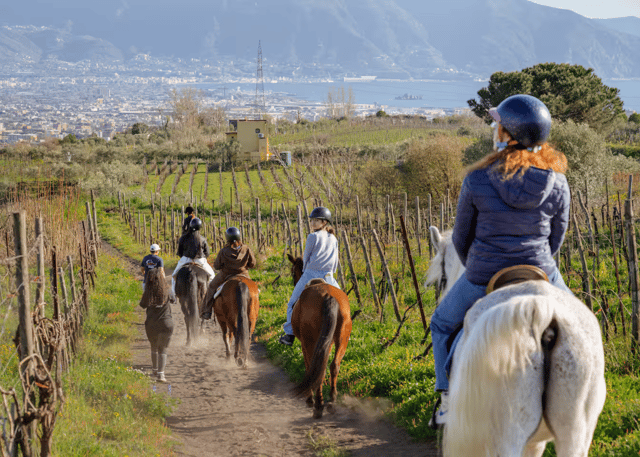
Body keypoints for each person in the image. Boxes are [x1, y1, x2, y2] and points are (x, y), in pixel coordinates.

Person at [429, 94, 572, 426]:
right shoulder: (558, 182)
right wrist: (540, 261)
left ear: (508, 134)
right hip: (540, 271)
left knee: (441, 324)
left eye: (498, 125)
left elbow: (461, 238)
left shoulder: (477, 178)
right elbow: (557, 238)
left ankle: (447, 400)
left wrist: (478, 268)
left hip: (485, 274)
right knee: (582, 323)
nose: (495, 129)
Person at [279, 206, 340, 346]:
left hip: (311, 273)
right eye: (312, 220)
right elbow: (335, 259)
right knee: (343, 302)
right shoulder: (333, 238)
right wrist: (332, 273)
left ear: (324, 222)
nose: (312, 223)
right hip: (329, 275)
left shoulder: (312, 236)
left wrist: (306, 271)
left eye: (316, 220)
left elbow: (306, 257)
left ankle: (289, 335)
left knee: (292, 303)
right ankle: (344, 332)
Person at [200, 227, 257, 319]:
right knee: (254, 290)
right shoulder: (246, 249)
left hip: (226, 274)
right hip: (243, 274)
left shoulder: (223, 251)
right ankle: (256, 308)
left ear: (227, 238)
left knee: (211, 286)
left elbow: (217, 266)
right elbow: (253, 264)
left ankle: (206, 311)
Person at [139, 267, 174, 383]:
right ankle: (161, 375)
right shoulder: (167, 290)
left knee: (153, 346)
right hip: (166, 323)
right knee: (163, 349)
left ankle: (154, 369)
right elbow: (173, 299)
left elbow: (142, 305)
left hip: (151, 323)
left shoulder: (148, 292)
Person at [171, 217, 215, 296]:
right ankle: (211, 296)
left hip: (186, 259)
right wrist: (203, 258)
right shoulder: (202, 239)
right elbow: (207, 253)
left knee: (174, 276)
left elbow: (179, 252)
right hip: (200, 260)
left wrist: (185, 257)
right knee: (212, 276)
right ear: (200, 227)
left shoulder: (183, 238)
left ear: (190, 225)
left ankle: (173, 296)